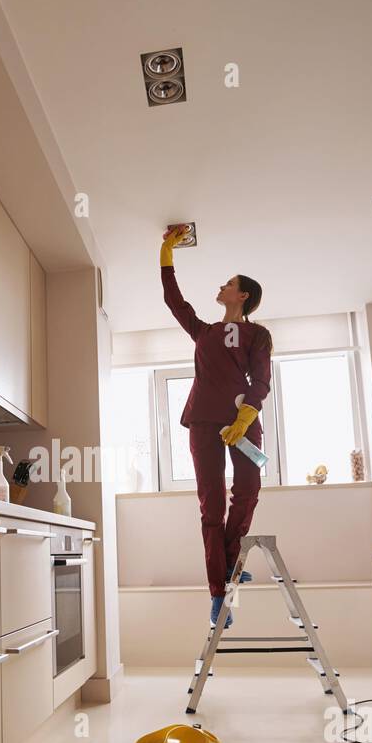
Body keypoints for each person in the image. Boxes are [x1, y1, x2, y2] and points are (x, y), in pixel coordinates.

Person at [159, 225, 272, 626]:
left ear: (243, 295)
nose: (220, 287)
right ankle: (219, 589)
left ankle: (227, 565)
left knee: (248, 491)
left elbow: (261, 380)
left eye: (228, 284)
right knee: (211, 502)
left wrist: (245, 417)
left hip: (244, 422)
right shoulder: (204, 331)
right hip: (204, 421)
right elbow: (176, 302)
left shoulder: (258, 334)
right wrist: (166, 252)